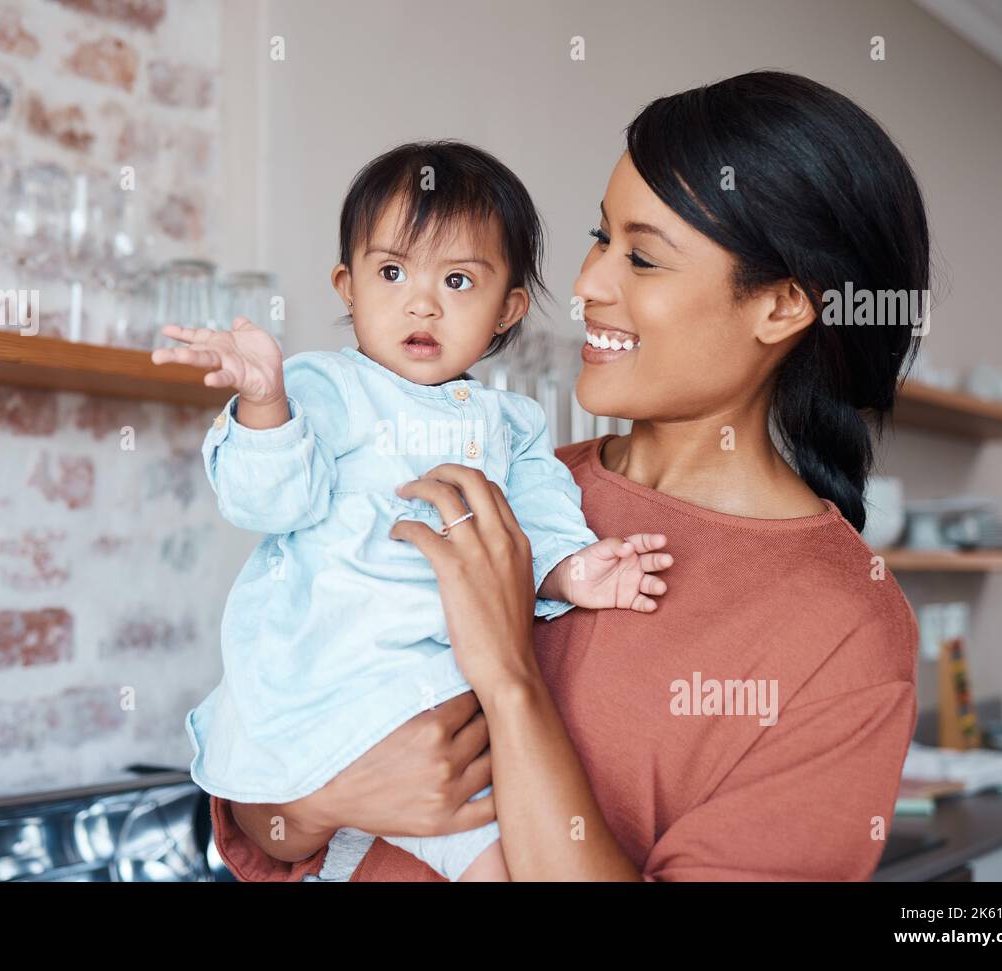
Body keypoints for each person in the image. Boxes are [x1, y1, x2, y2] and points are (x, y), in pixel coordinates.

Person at [204, 70, 927, 882]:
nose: (585, 285)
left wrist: (510, 679)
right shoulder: (499, 481)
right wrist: (318, 806)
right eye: (600, 235)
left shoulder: (843, 632)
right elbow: (260, 822)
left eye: (643, 258)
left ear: (782, 306)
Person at [154, 141, 674, 881]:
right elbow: (267, 501)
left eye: (458, 279)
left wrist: (574, 571)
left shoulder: (513, 422)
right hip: (324, 682)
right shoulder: (322, 390)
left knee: (494, 857)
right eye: (392, 271)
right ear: (348, 285)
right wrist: (263, 404)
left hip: (435, 702)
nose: (421, 301)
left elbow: (539, 518)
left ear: (508, 310)